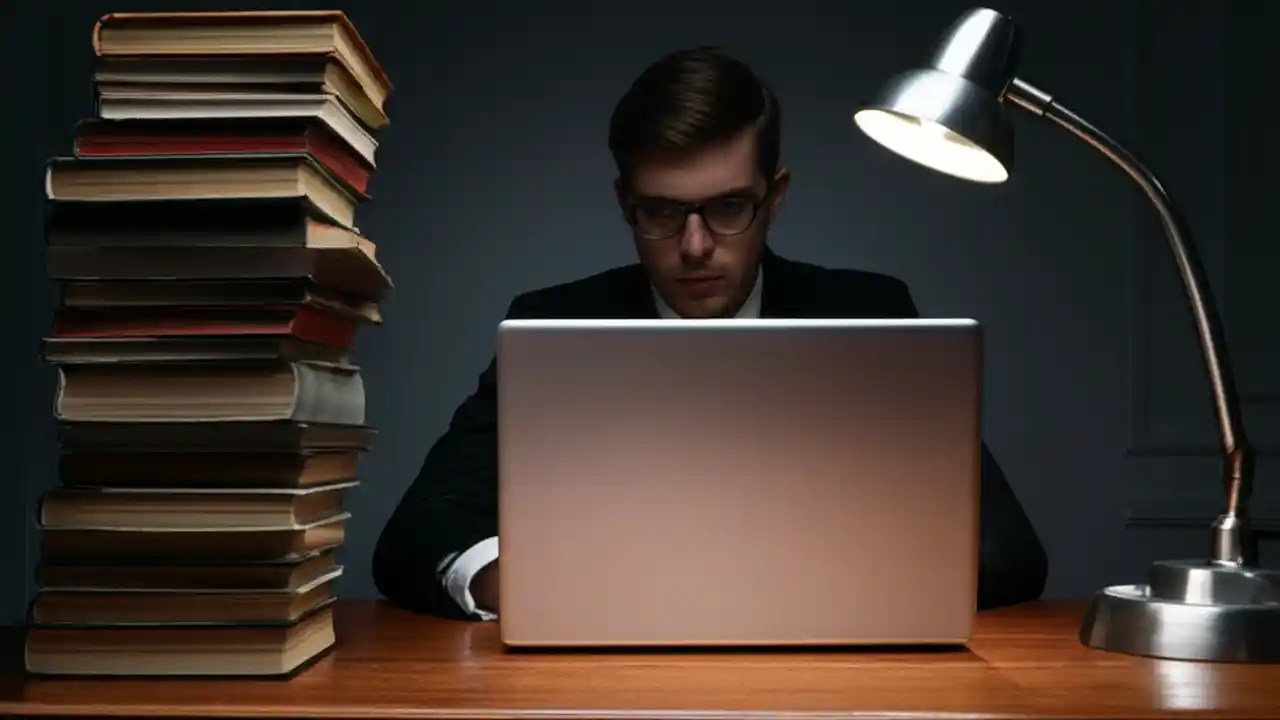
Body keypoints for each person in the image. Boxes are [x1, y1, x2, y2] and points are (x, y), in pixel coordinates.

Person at [372, 46, 1048, 620]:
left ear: (774, 197)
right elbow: (415, 535)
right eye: (661, 212)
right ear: (625, 204)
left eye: (728, 207)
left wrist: (775, 583)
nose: (695, 246)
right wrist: (519, 582)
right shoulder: (549, 326)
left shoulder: (871, 313)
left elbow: (1008, 553)